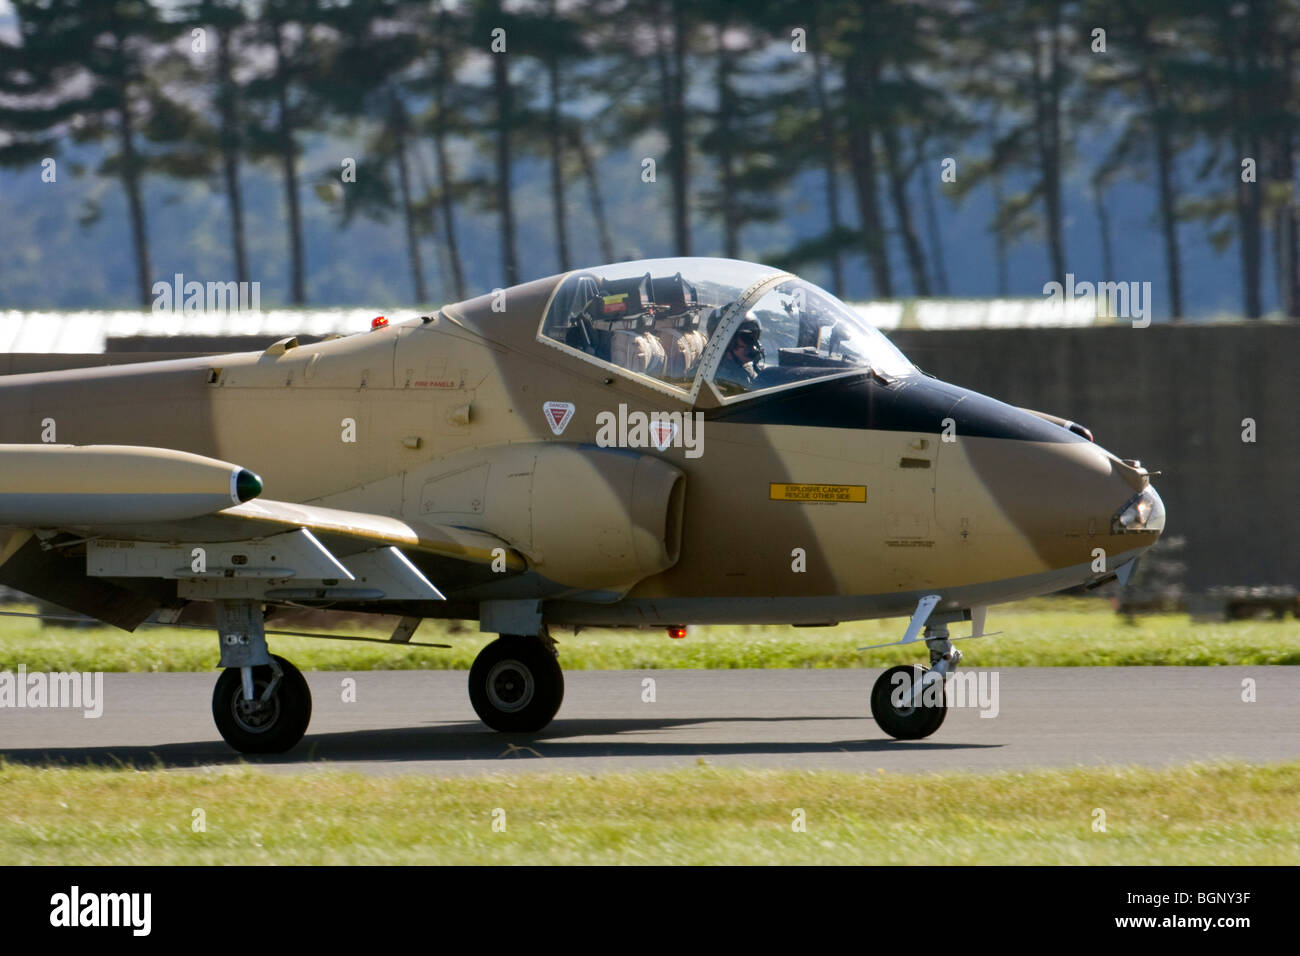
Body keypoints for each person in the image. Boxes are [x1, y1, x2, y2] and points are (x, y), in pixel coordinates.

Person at [714, 316, 764, 393]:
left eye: (755, 336)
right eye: (747, 338)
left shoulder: (748, 369)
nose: (754, 344)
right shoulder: (717, 379)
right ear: (728, 343)